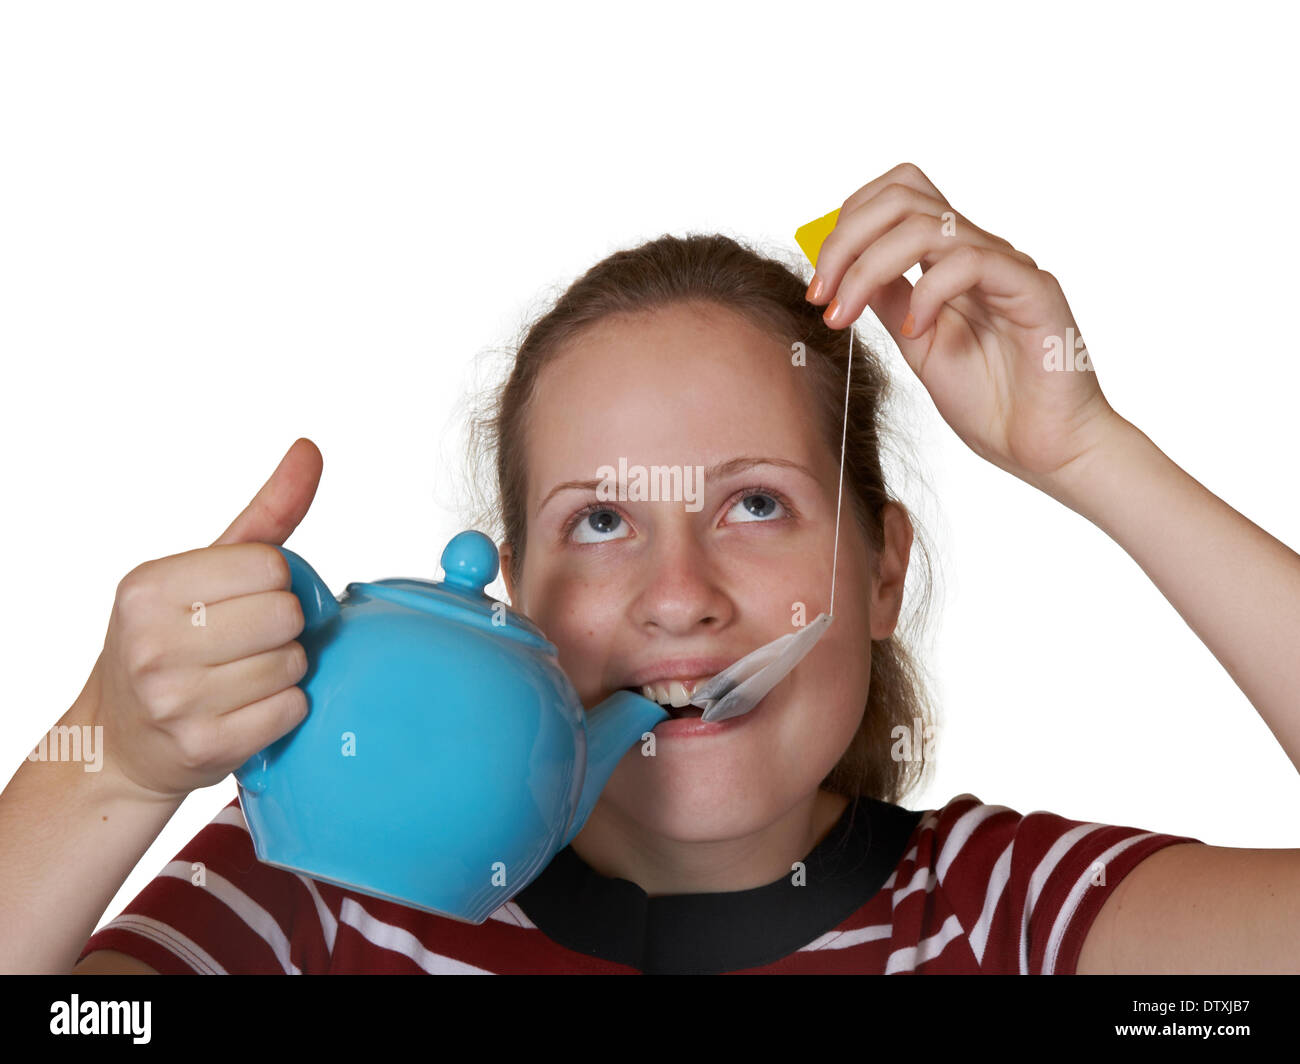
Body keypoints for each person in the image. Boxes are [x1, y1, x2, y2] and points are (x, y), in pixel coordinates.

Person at [4, 163, 1296, 974]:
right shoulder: (313, 898)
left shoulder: (1022, 920)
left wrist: (1084, 448)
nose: (682, 596)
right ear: (516, 600)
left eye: (754, 503)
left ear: (883, 572)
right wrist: (108, 763)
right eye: (603, 524)